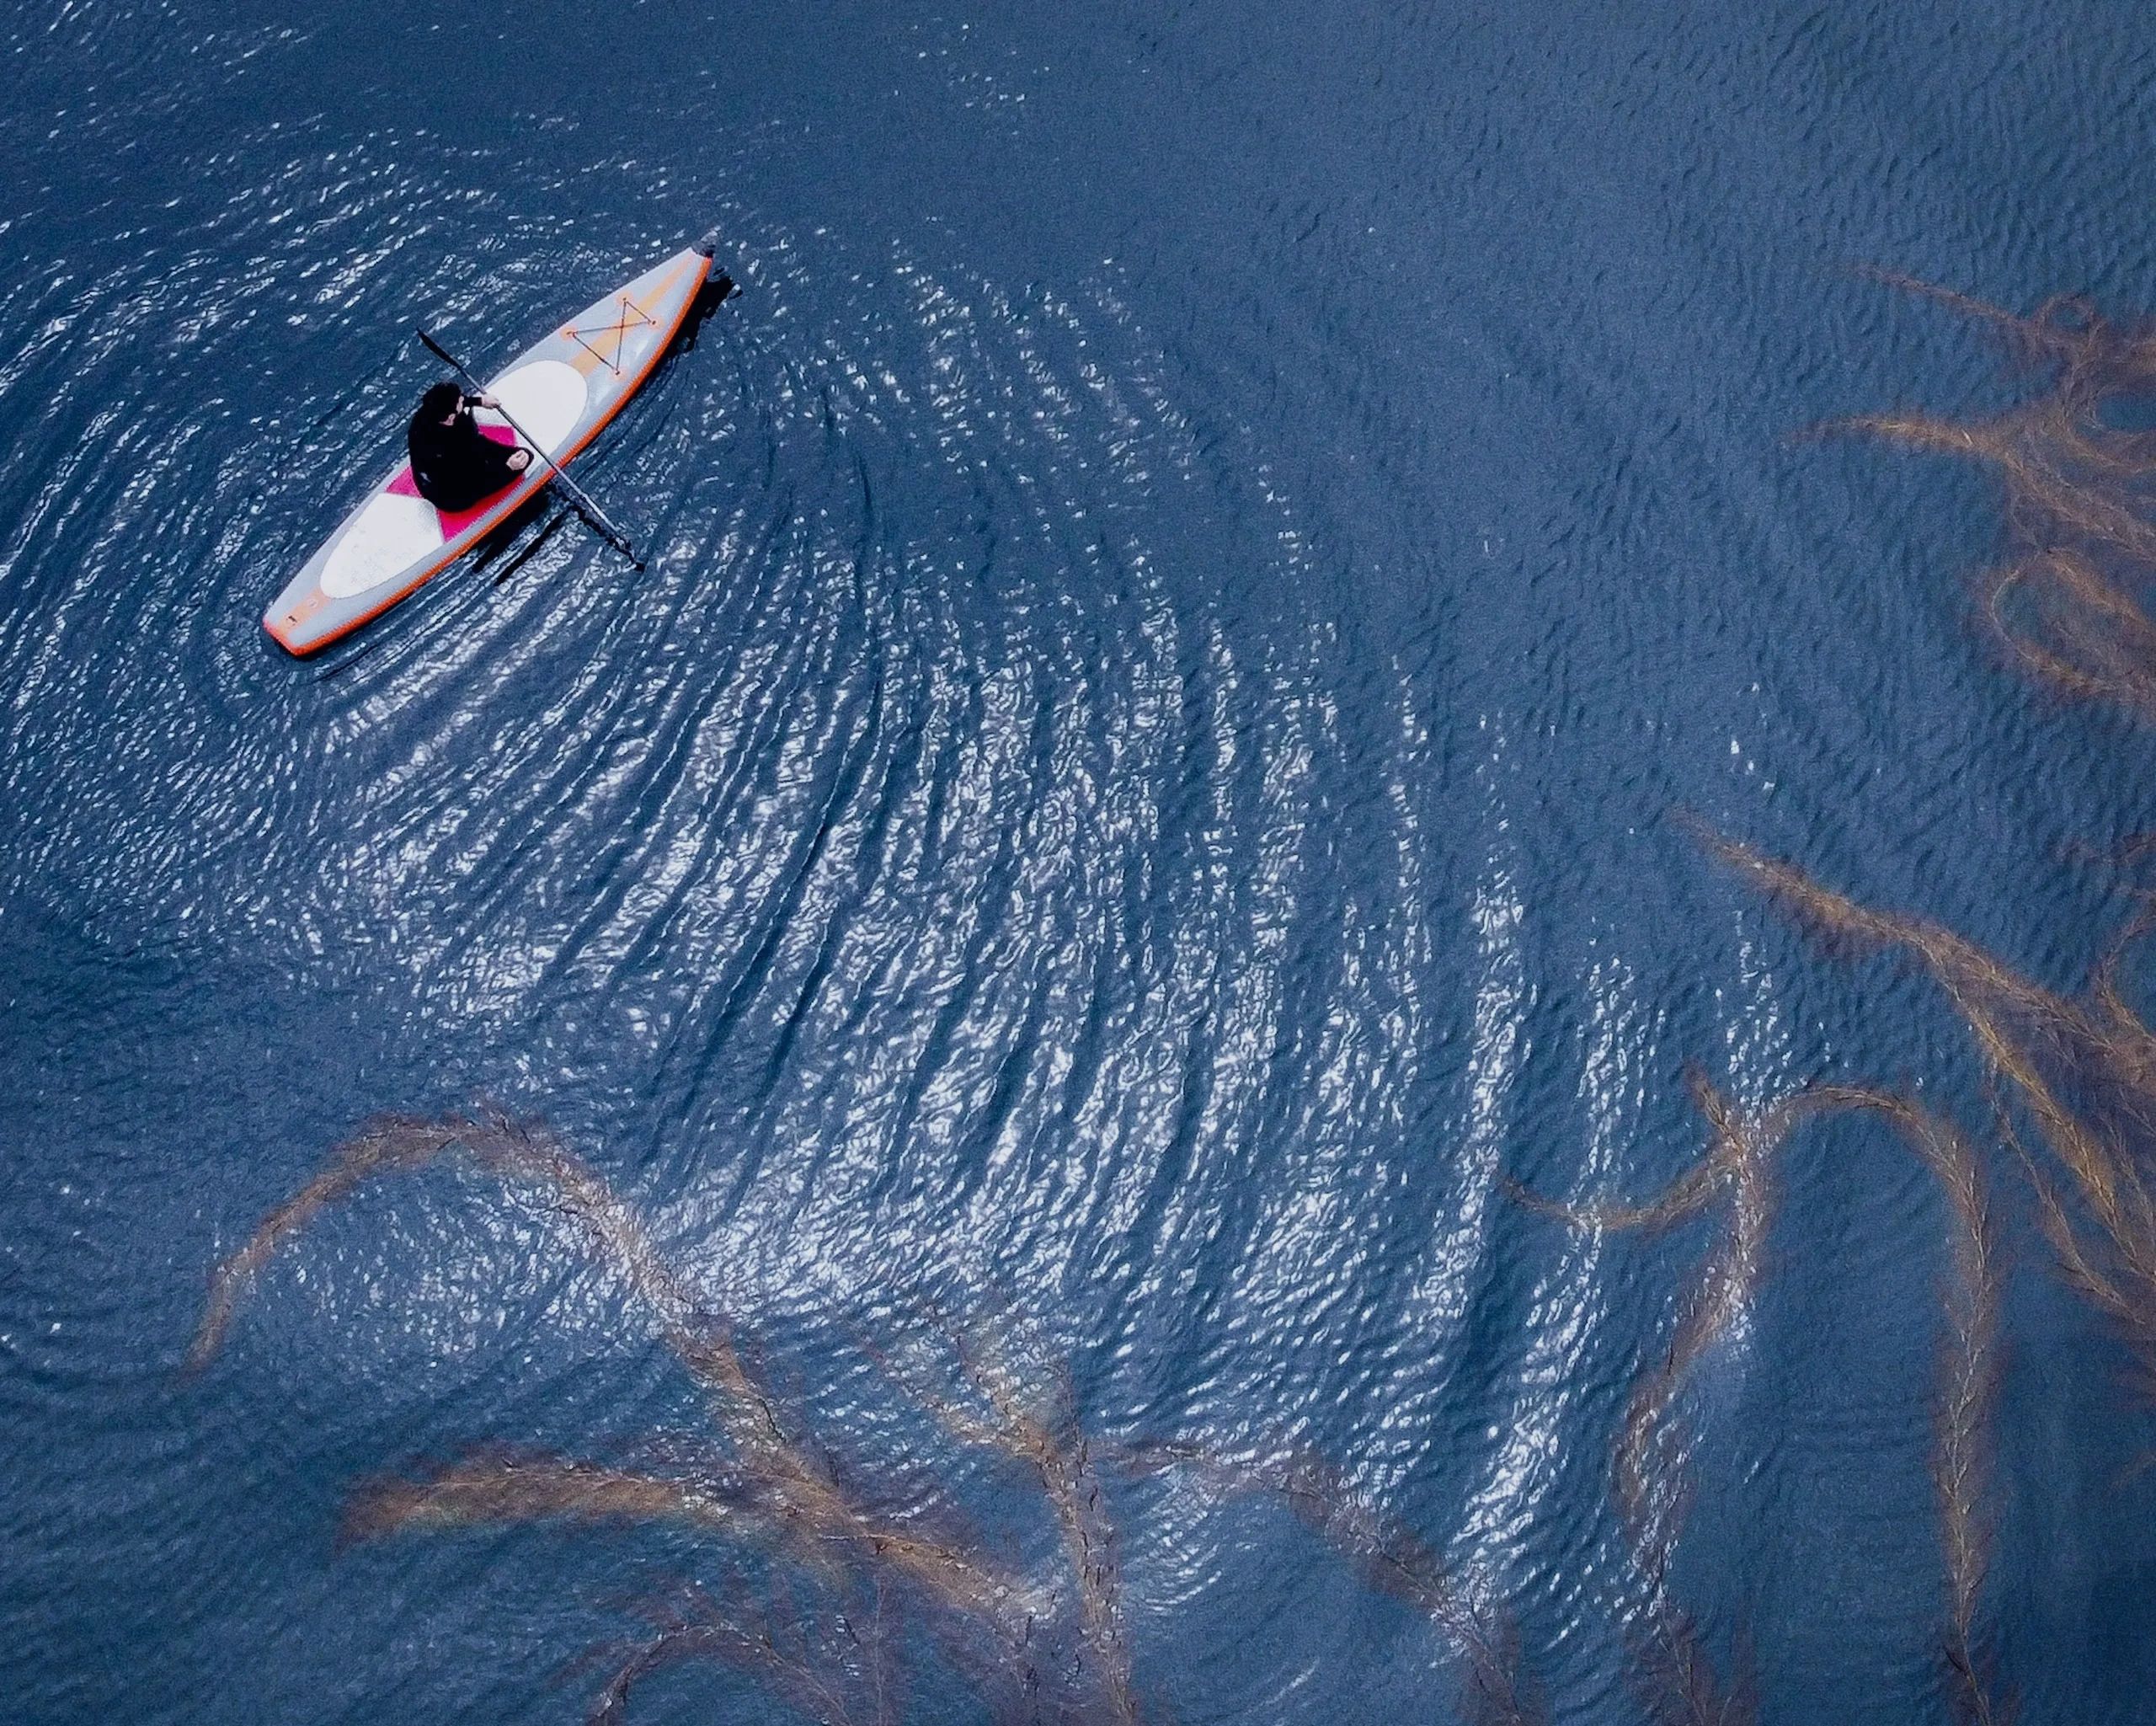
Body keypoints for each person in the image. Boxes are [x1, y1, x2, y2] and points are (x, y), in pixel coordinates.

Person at [405, 382, 533, 511]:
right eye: (461, 401)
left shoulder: (429, 412)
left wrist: (479, 401)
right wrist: (508, 468)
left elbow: (456, 403)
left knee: (523, 455)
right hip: (453, 491)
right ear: (450, 418)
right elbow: (473, 483)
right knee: (524, 458)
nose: (463, 400)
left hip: (465, 452)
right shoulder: (443, 451)